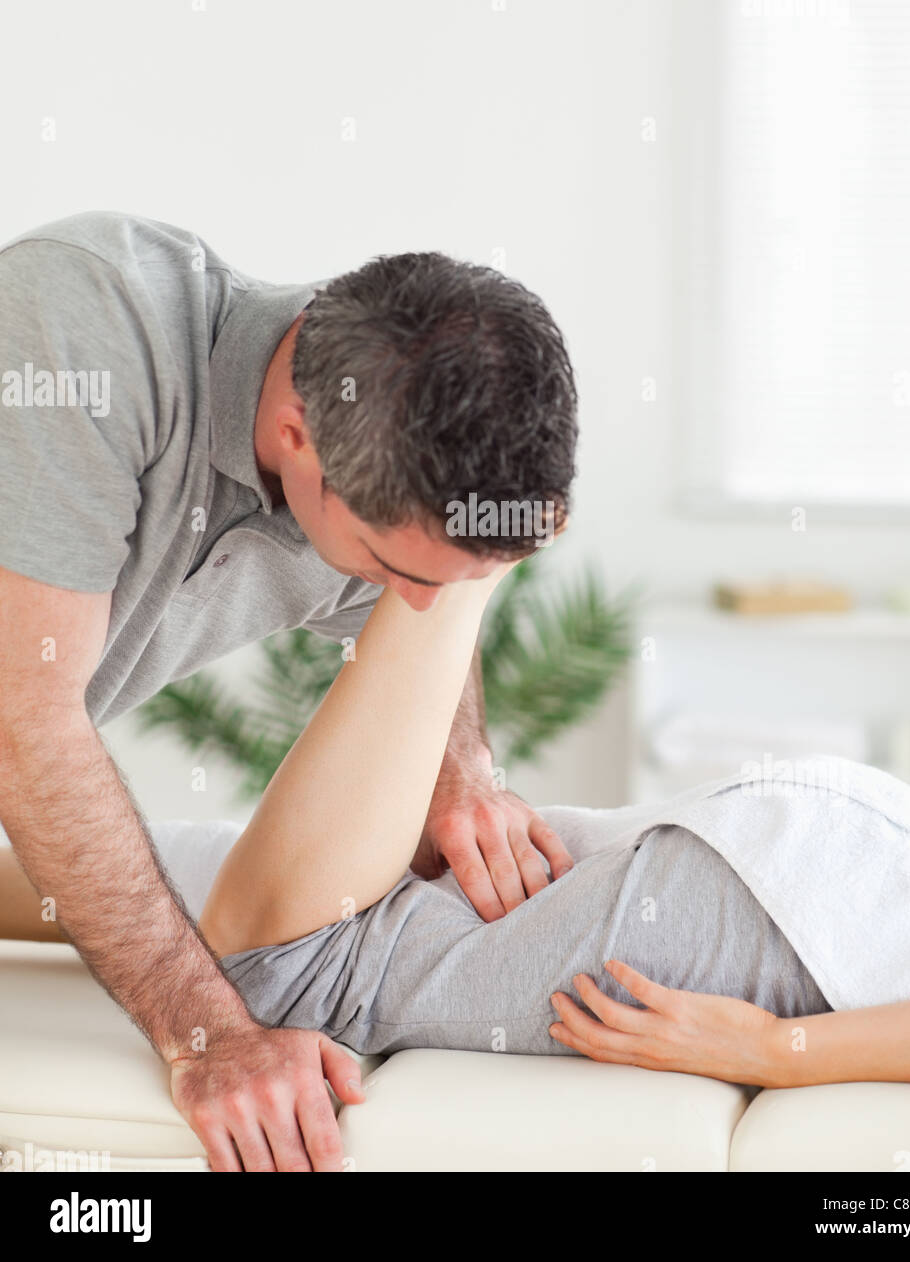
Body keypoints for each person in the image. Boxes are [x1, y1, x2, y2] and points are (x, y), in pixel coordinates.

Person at [4, 562, 910, 1174]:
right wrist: (779, 1051)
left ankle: (446, 569)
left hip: (831, 853)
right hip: (804, 921)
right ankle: (451, 574)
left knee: (202, 890)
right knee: (294, 971)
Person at [0, 210, 578, 1171]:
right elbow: (25, 723)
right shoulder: (87, 326)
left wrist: (463, 765)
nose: (418, 608)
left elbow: (425, 612)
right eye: (403, 572)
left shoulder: (373, 457)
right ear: (295, 436)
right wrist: (209, 1039)